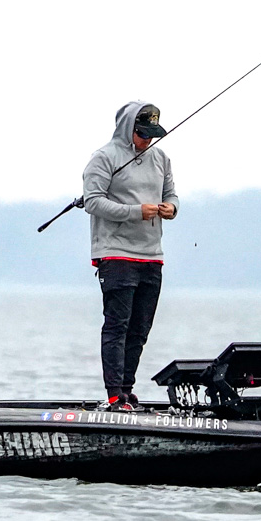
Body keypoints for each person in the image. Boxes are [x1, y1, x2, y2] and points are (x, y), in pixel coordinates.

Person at [82, 101, 178, 410]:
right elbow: (93, 201)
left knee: (140, 329)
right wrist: (135, 212)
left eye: (152, 134)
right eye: (141, 134)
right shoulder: (104, 158)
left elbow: (171, 195)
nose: (147, 140)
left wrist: (171, 208)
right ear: (127, 129)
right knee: (117, 325)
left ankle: (126, 389)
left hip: (151, 255)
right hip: (116, 254)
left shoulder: (161, 158)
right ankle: (113, 394)